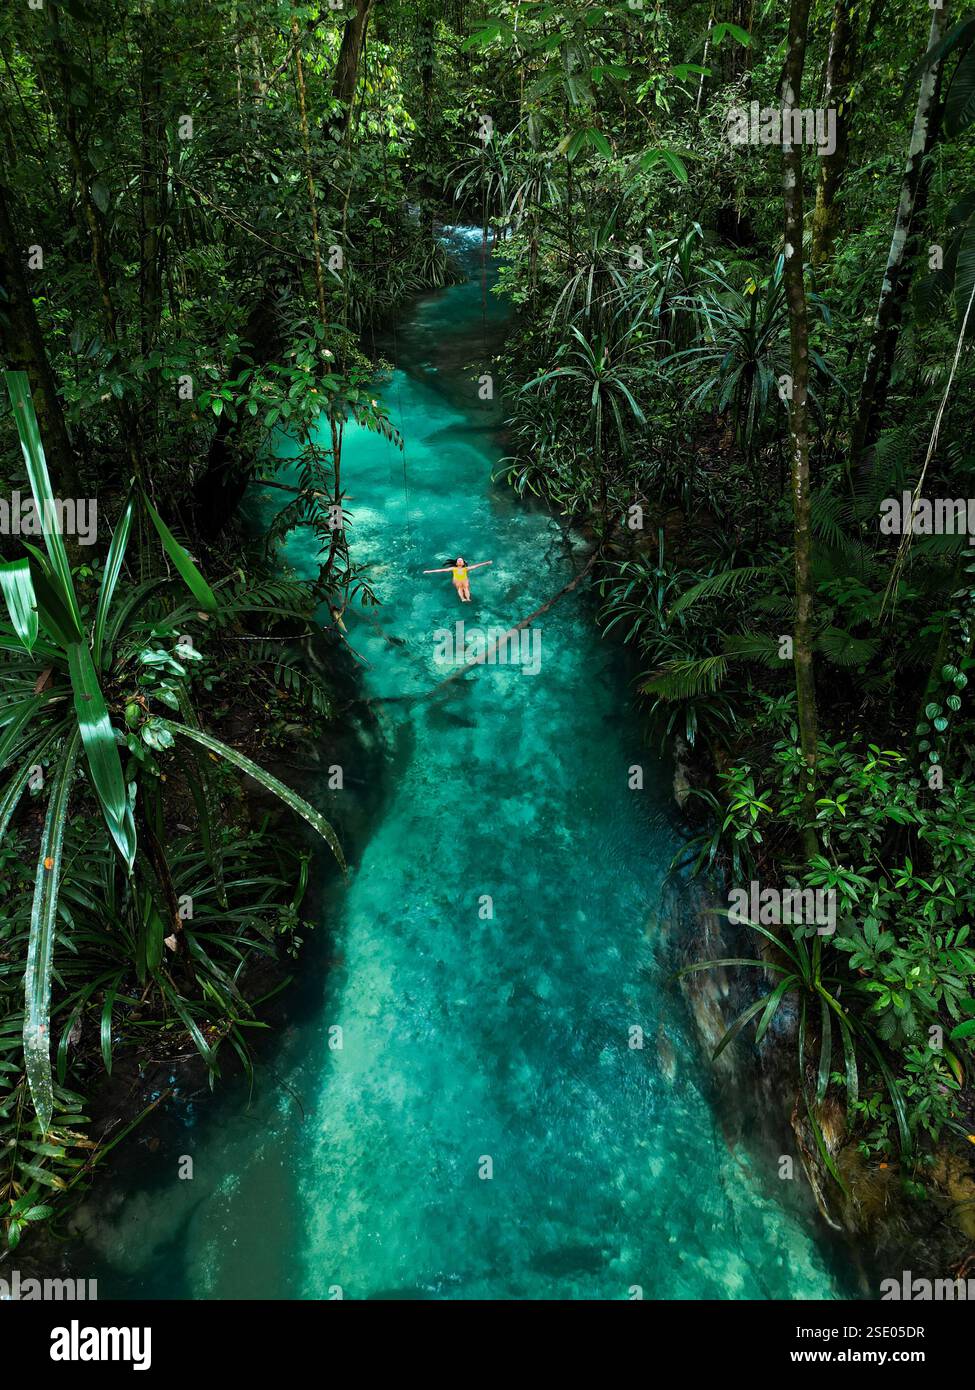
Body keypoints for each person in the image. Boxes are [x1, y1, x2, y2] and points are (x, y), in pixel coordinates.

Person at [422, 556, 493, 603]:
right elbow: (441, 570)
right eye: (458, 560)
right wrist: (428, 571)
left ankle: (468, 598)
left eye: (461, 560)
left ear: (463, 563)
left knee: (466, 588)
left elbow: (476, 566)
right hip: (457, 580)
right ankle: (462, 598)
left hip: (464, 580)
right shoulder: (453, 568)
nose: (459, 561)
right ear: (456, 563)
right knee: (460, 588)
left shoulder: (466, 568)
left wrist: (487, 563)